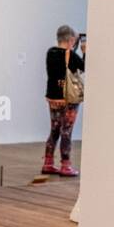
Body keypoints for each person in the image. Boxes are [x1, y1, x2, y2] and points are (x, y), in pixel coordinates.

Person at [43, 25, 86, 176]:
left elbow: (63, 60)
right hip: (69, 98)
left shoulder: (51, 52)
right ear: (72, 40)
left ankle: (48, 163)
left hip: (53, 98)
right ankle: (65, 165)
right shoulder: (71, 56)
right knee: (66, 131)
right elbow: (85, 66)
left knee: (54, 130)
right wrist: (85, 52)